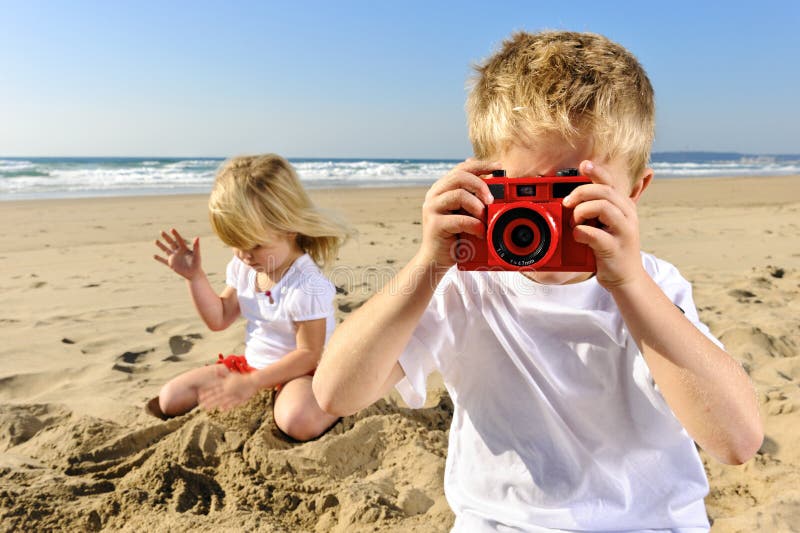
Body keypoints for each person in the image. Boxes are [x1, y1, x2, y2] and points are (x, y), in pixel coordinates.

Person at [313, 31, 763, 530]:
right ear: (482, 181)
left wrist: (630, 285)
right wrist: (430, 263)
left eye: (573, 191)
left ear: (634, 191)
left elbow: (737, 441)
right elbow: (335, 394)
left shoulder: (654, 285)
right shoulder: (464, 283)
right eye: (523, 192)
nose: (544, 218)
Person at [149, 153, 350, 442]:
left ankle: (341, 400)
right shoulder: (245, 267)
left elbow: (309, 354)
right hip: (251, 368)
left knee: (297, 421)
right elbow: (219, 318)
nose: (244, 255)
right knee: (170, 398)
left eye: (254, 244)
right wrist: (195, 278)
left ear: (289, 226)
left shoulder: (306, 284)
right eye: (235, 244)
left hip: (301, 374)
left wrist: (253, 383)